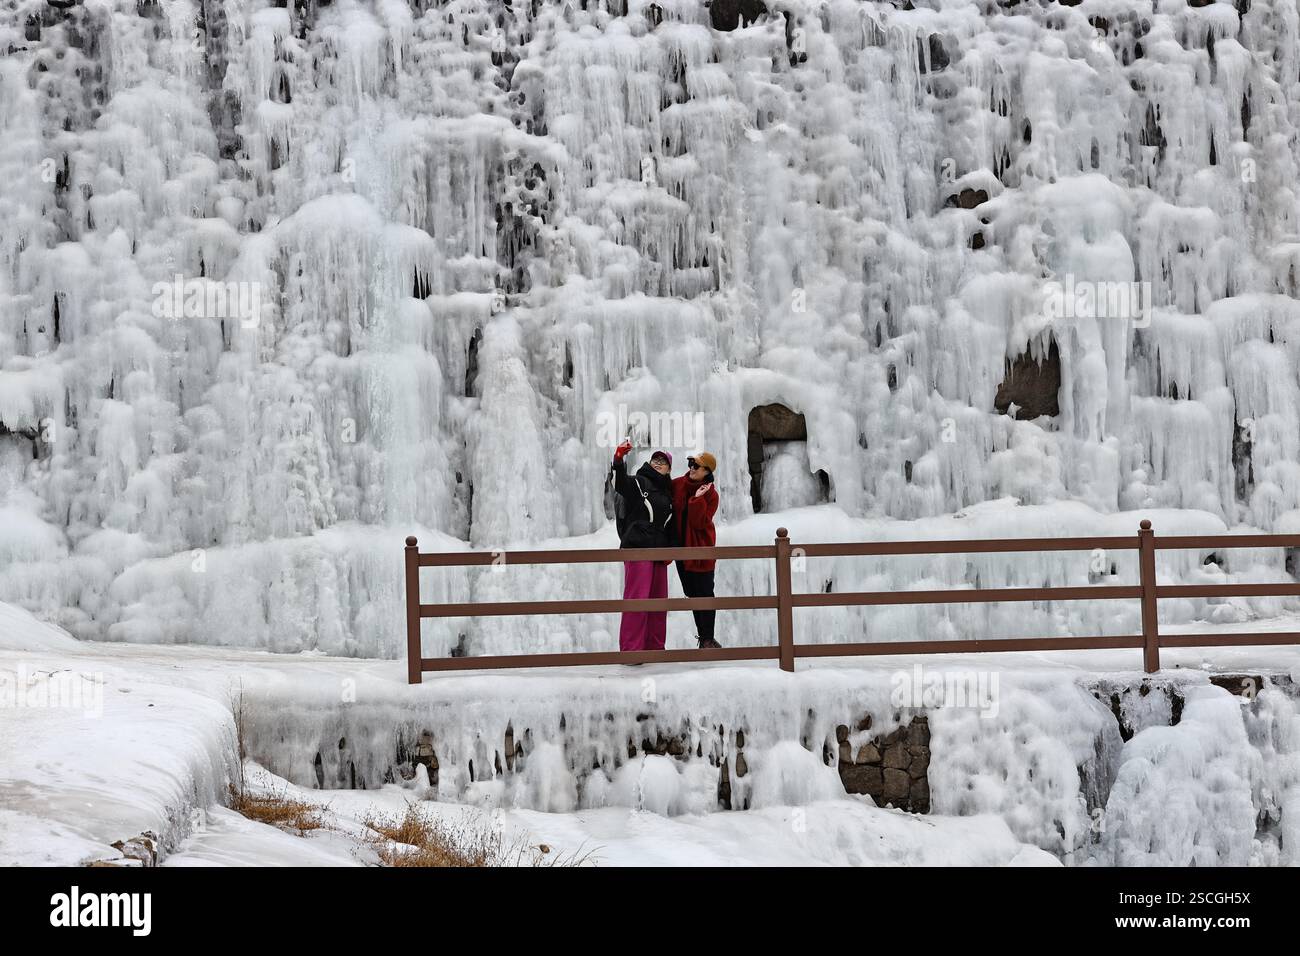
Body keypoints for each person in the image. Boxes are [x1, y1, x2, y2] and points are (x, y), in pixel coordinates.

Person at [610, 441, 676, 652]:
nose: (658, 463)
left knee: (658, 604)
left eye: (663, 461)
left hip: (659, 552)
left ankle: (656, 649)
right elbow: (621, 484)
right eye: (655, 459)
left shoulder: (668, 493)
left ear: (669, 469)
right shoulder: (639, 483)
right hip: (638, 548)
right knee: (637, 601)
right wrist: (618, 460)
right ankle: (631, 650)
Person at [671, 451, 720, 648]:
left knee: (705, 592)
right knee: (692, 593)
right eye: (691, 463)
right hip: (680, 550)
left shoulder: (711, 495)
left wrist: (697, 499)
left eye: (696, 466)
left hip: (701, 550)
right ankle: (704, 638)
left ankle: (707, 638)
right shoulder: (678, 485)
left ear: (707, 472)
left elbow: (699, 523)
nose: (691, 468)